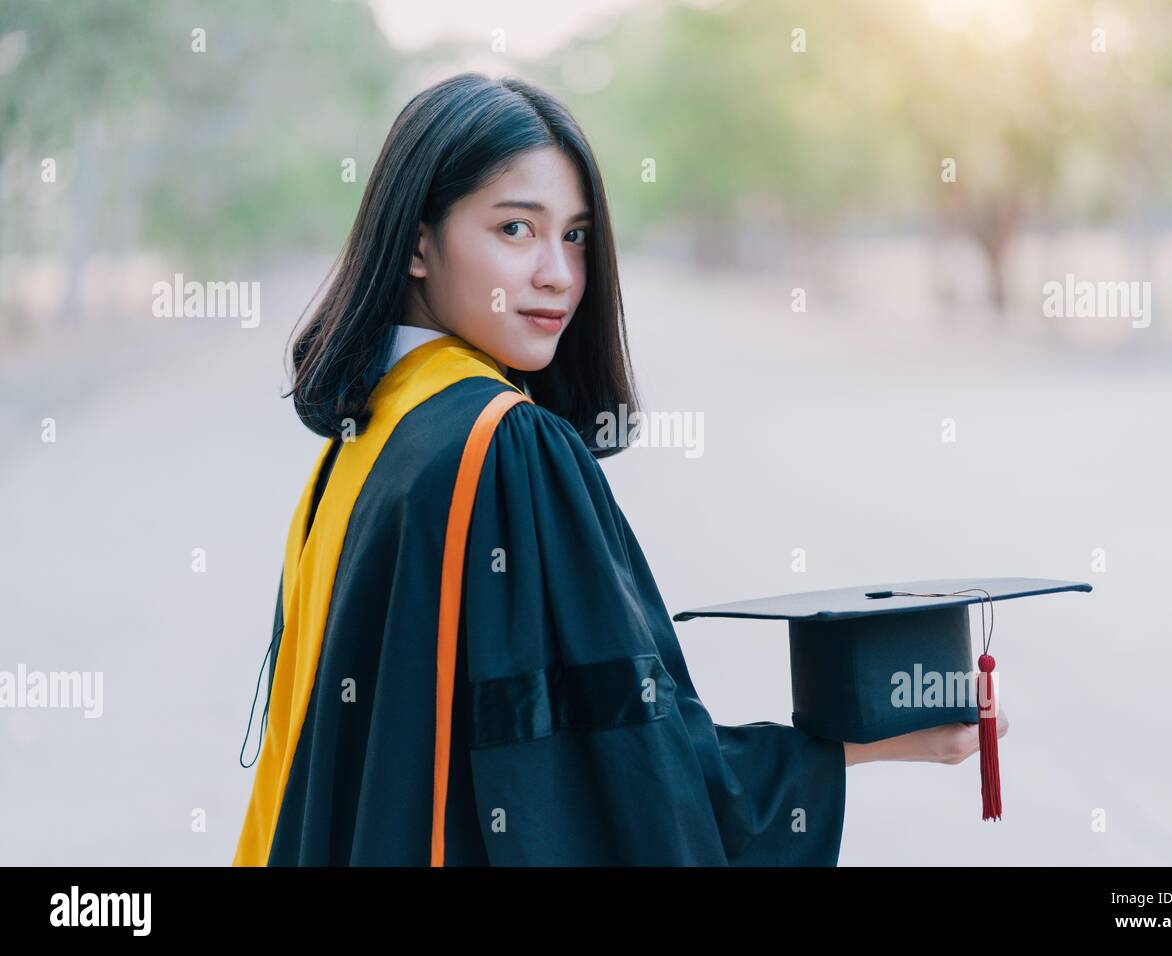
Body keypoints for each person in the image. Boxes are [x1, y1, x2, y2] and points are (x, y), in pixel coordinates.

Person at [232, 72, 1007, 867]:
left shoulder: (368, 440)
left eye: (574, 236)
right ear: (419, 242)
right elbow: (619, 766)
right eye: (514, 229)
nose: (559, 275)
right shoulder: (504, 448)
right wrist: (858, 746)